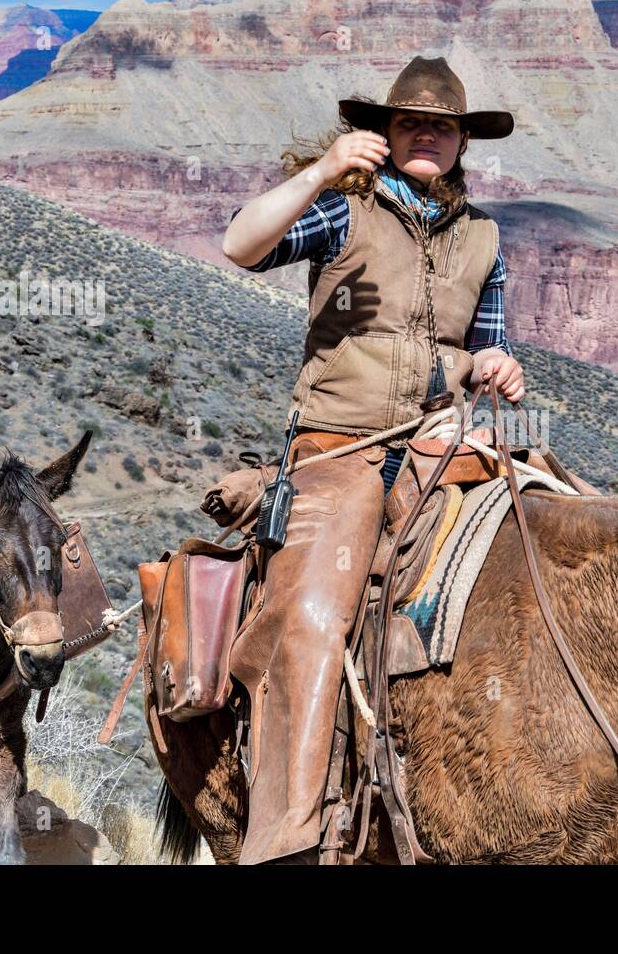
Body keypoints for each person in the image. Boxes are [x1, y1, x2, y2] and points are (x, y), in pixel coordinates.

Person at [220, 56, 522, 863]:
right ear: (384, 134)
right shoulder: (342, 212)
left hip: (442, 443)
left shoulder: (485, 238)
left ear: (462, 141)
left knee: (560, 540)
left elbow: (489, 348)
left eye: (443, 125)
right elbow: (240, 244)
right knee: (314, 619)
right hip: (339, 447)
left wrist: (501, 368)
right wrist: (322, 171)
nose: (428, 133)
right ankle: (287, 834)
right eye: (411, 121)